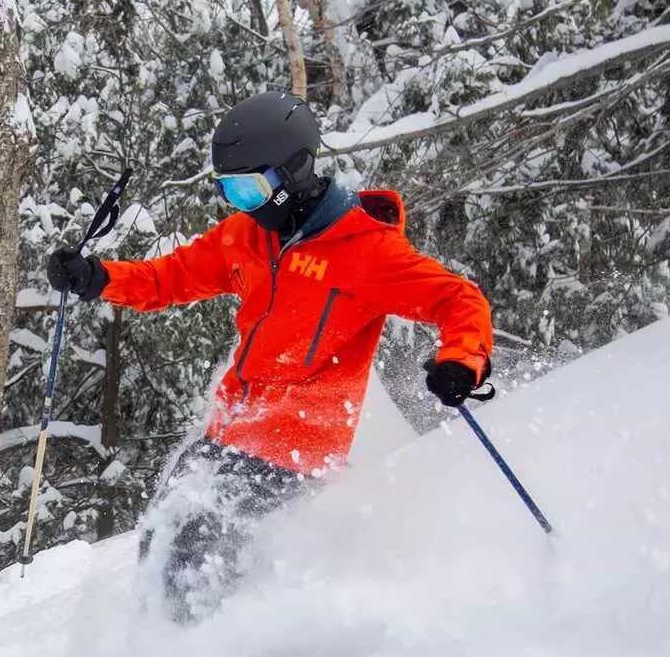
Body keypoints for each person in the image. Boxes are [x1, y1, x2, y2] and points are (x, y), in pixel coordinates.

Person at [47, 91, 493, 622]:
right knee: (161, 539)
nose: (243, 204)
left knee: (201, 560)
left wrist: (461, 359)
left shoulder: (367, 252)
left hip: (295, 448)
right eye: (229, 190)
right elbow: (171, 278)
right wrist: (99, 278)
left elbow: (458, 300)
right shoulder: (248, 235)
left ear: (297, 169)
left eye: (251, 188)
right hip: (231, 427)